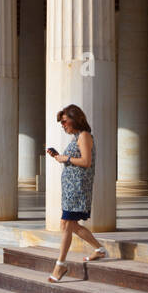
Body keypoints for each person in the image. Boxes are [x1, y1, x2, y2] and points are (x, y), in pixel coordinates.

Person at [45, 104, 106, 282]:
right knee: (69, 225)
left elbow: (86, 161)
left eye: (64, 121)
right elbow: (73, 161)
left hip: (78, 189)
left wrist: (66, 158)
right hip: (70, 189)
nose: (63, 125)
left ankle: (60, 265)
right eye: (61, 123)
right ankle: (99, 250)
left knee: (66, 224)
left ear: (75, 119)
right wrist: (59, 157)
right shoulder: (76, 138)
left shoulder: (85, 136)